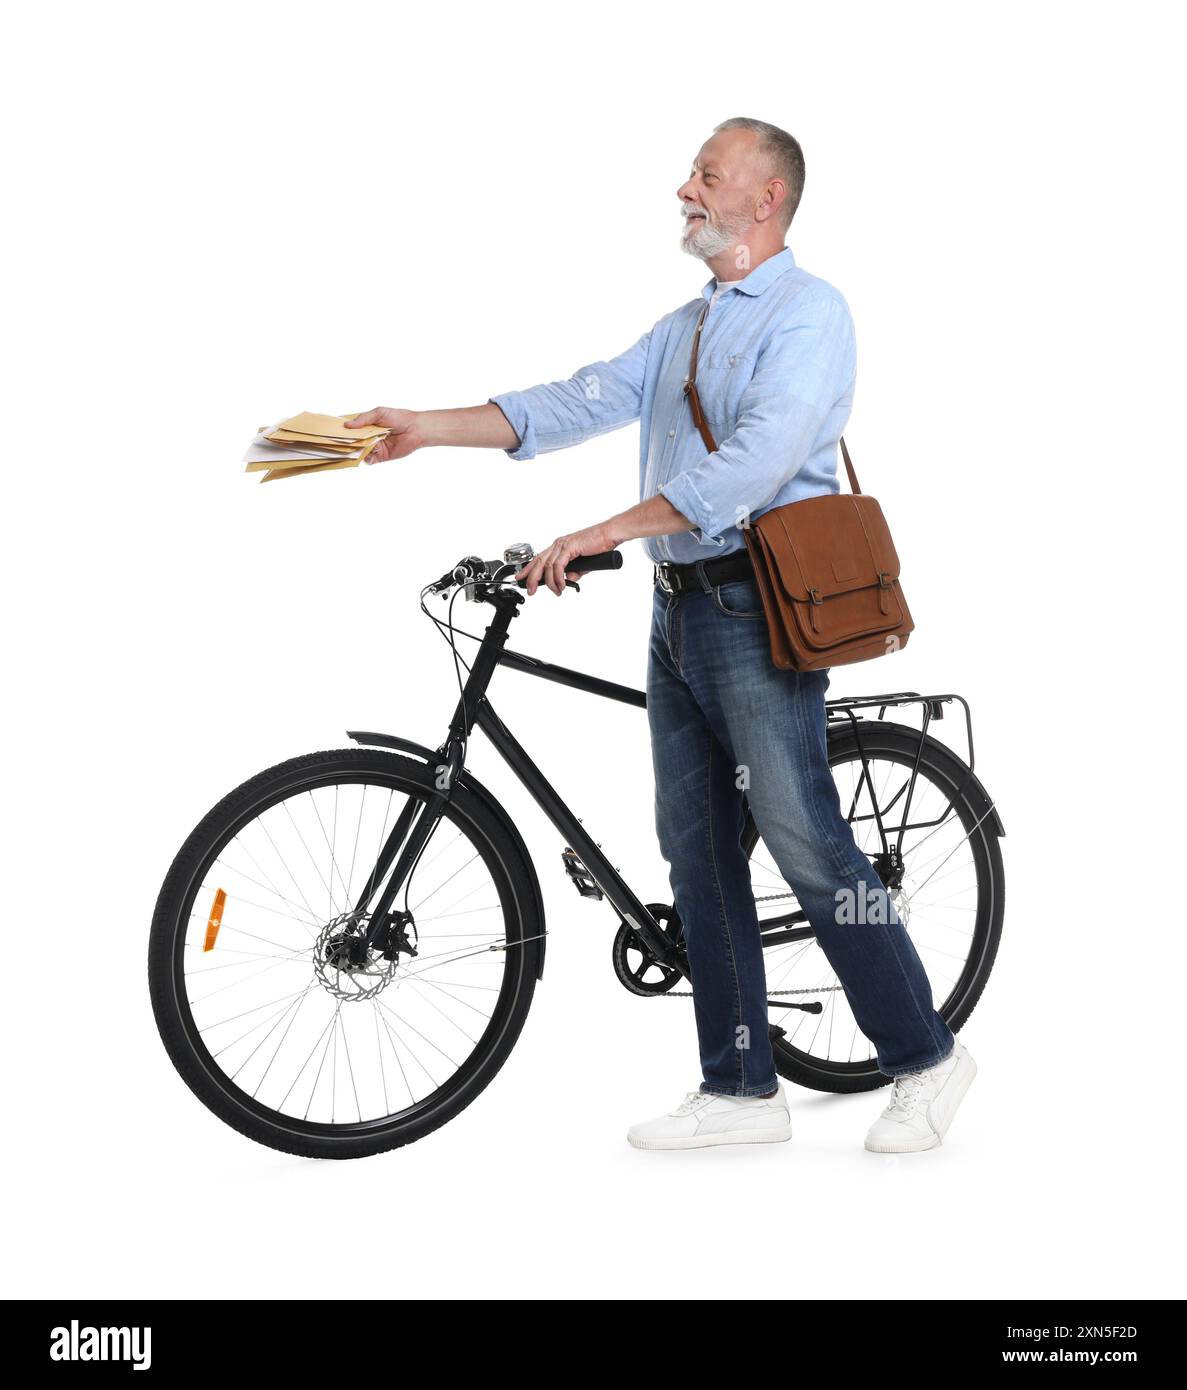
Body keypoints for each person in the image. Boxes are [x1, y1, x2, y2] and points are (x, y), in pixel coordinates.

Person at [345, 117, 977, 1154]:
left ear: (763, 199)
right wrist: (426, 426)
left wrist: (602, 528)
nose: (683, 187)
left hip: (759, 609)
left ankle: (925, 1055)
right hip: (678, 608)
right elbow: (577, 399)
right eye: (691, 172)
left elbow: (755, 463)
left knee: (809, 847)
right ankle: (738, 1088)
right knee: (694, 855)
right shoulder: (684, 325)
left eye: (706, 175)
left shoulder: (810, 315)